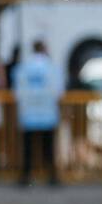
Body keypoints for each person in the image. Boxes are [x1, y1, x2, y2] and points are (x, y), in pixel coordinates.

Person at [12, 40, 64, 185]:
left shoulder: (23, 67)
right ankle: (52, 176)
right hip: (48, 112)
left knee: (27, 147)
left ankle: (25, 176)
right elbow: (59, 91)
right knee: (48, 147)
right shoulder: (52, 67)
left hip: (28, 112)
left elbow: (18, 91)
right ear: (44, 49)